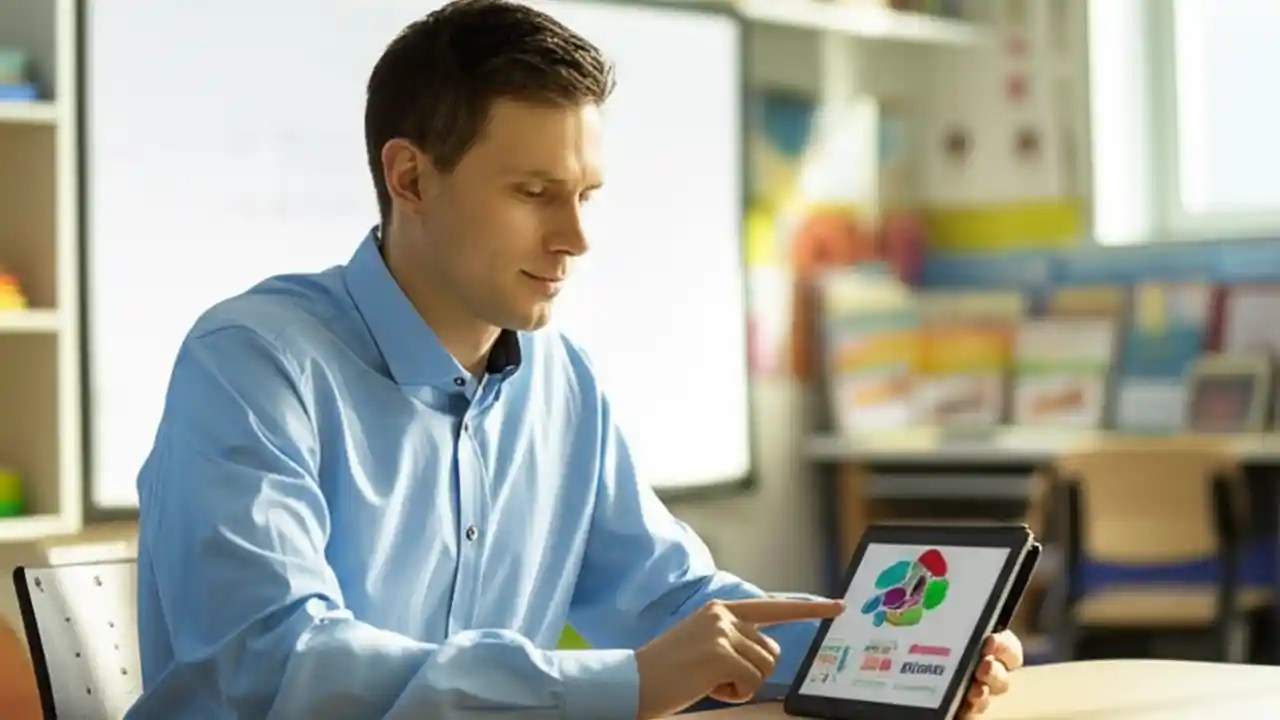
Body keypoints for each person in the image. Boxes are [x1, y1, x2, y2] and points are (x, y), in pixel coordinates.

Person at [127, 1, 1024, 717]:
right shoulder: (251, 365)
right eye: (534, 193)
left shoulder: (561, 382)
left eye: (586, 195)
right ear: (410, 178)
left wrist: (882, 660)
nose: (576, 238)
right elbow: (280, 666)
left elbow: (671, 602)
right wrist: (624, 685)